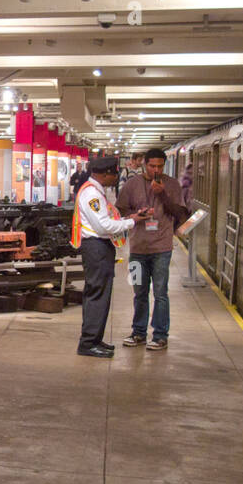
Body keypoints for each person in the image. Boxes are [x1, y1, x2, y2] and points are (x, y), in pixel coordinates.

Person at [72, 155, 152, 358]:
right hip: (96, 247)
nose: (116, 177)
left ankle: (95, 339)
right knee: (97, 295)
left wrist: (129, 218)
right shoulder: (92, 194)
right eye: (114, 173)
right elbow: (103, 226)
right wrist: (132, 222)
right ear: (104, 174)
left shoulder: (96, 191)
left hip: (100, 247)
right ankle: (88, 343)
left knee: (101, 294)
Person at [116, 147, 189, 350]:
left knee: (160, 293)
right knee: (139, 292)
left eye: (159, 166)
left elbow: (180, 214)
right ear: (144, 165)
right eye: (152, 166)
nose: (155, 169)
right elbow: (120, 210)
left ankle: (160, 335)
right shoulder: (132, 184)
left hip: (162, 249)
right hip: (138, 248)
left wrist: (163, 195)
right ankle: (138, 332)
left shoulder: (172, 185)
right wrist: (136, 214)